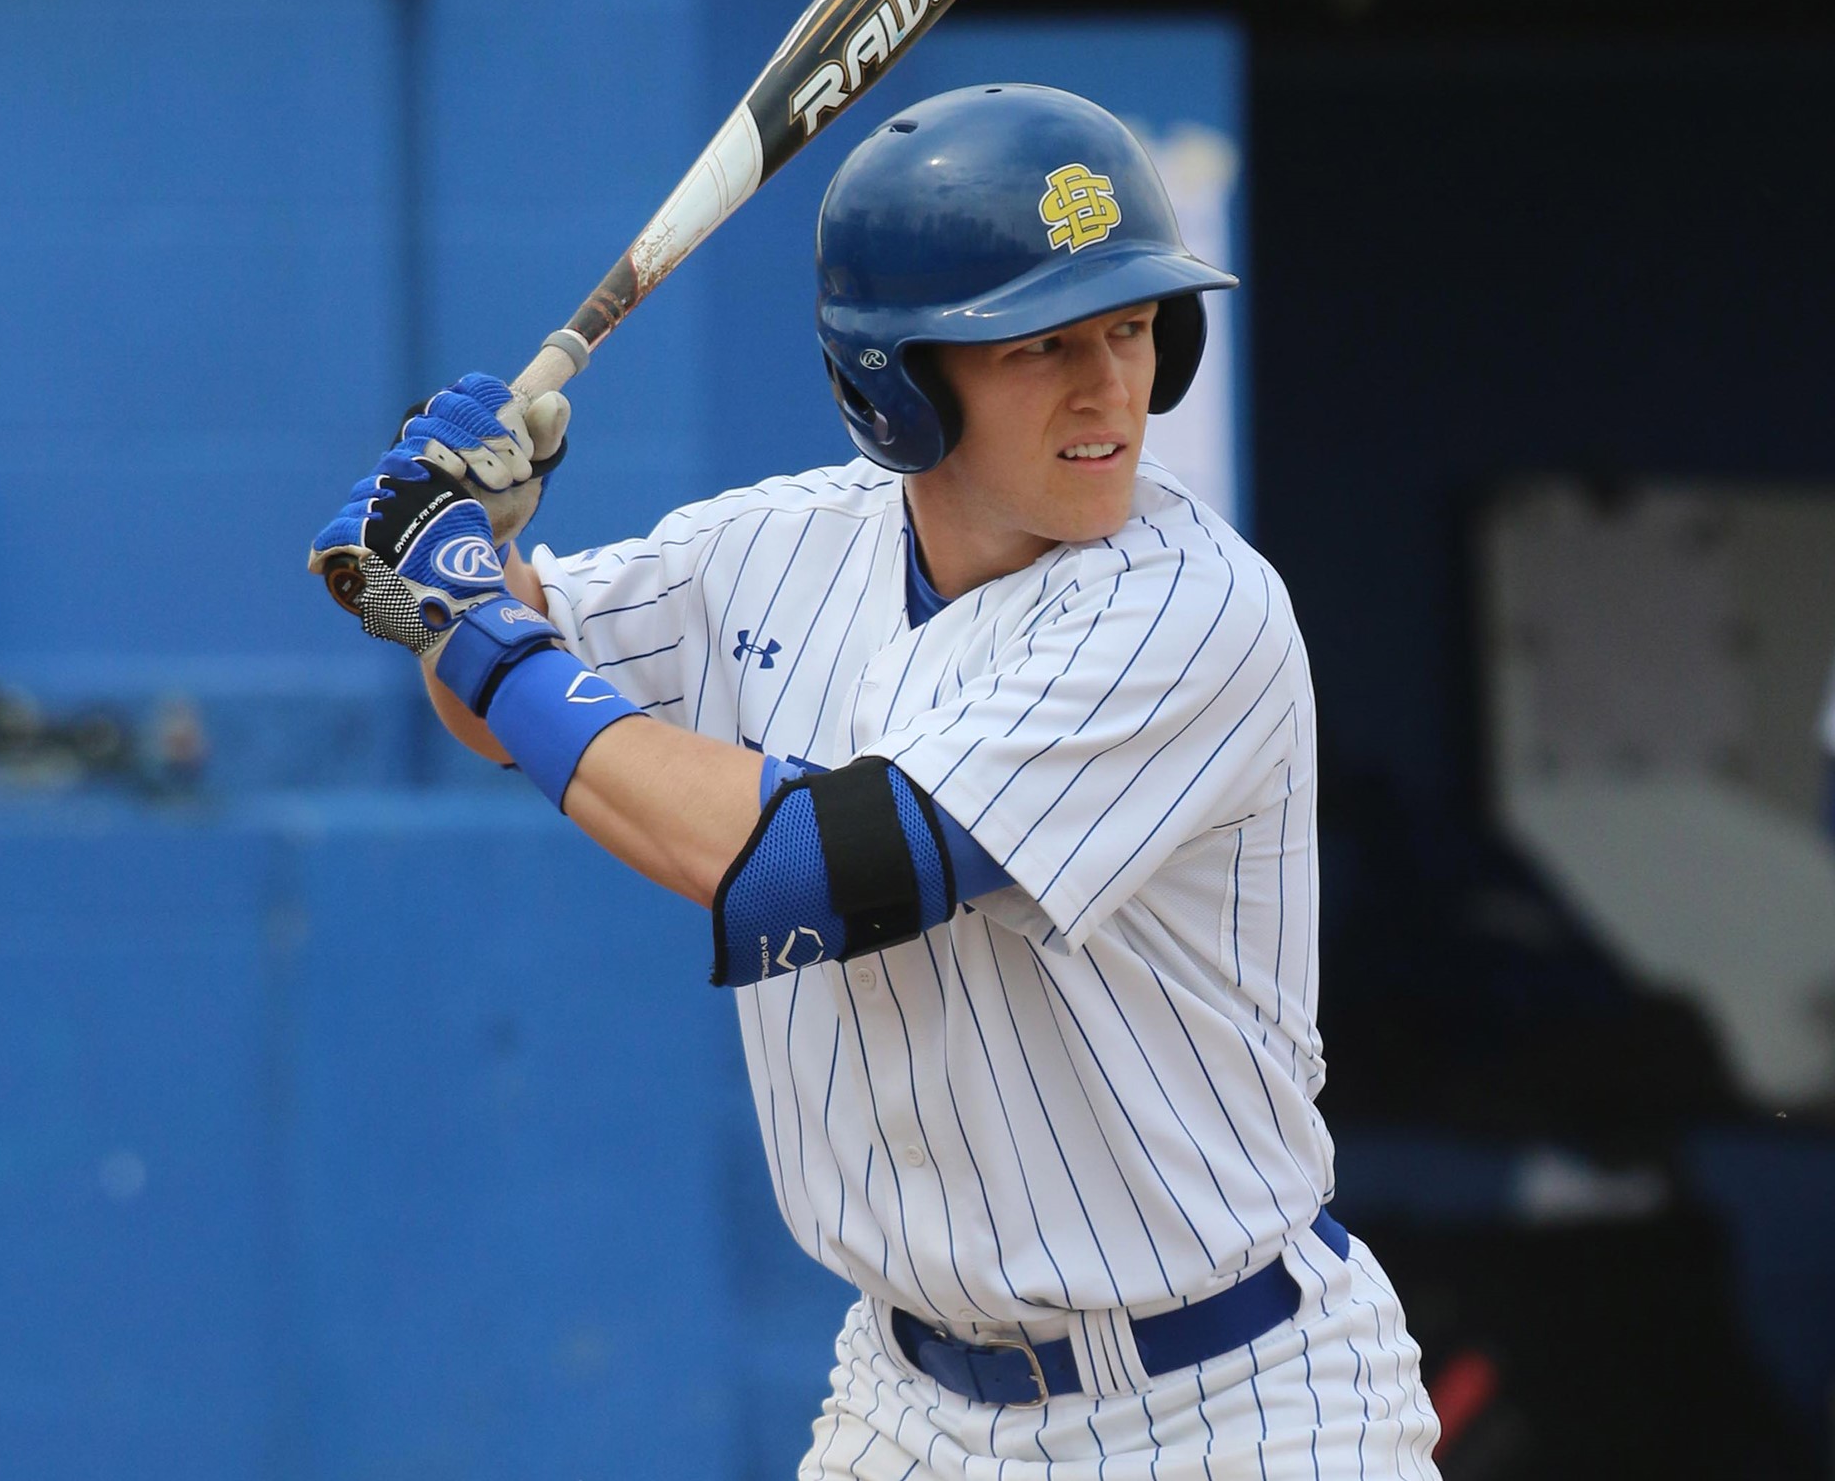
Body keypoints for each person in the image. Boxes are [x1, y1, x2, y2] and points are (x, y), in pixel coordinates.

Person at [311, 84, 1441, 1478]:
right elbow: (506, 707)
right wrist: (472, 556)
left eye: (1133, 327)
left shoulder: (1194, 608)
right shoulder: (775, 546)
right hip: (911, 1401)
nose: (1109, 388)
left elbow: (812, 868)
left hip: (1224, 1405)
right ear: (899, 378)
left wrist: (478, 623)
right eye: (1040, 345)